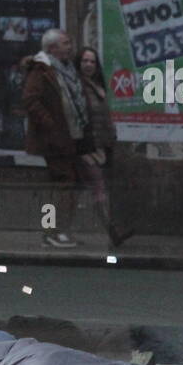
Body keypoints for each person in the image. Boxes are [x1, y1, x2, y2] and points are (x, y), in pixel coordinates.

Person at [22, 29, 130, 249]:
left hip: (72, 138)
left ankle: (57, 231)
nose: (70, 46)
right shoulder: (42, 70)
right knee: (63, 184)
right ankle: (52, 232)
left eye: (69, 42)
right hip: (54, 140)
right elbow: (30, 100)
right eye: (65, 43)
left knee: (64, 186)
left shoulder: (66, 68)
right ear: (52, 48)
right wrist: (51, 125)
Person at [77, 46, 133, 246]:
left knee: (95, 189)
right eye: (85, 61)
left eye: (92, 61)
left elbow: (104, 116)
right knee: (99, 187)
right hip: (87, 147)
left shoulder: (96, 85)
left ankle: (110, 229)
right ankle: (112, 230)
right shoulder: (77, 86)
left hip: (101, 145)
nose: (89, 65)